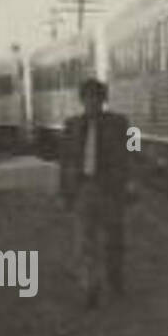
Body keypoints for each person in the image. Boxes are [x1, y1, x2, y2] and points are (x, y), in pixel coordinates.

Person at [59, 78, 132, 309]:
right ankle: (90, 286)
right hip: (83, 188)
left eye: (97, 98)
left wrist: (130, 183)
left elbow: (131, 154)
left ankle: (114, 278)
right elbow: (65, 160)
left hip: (110, 189)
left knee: (113, 240)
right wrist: (64, 192)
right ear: (82, 101)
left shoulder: (120, 123)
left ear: (104, 100)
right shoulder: (71, 125)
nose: (92, 103)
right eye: (88, 98)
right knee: (84, 241)